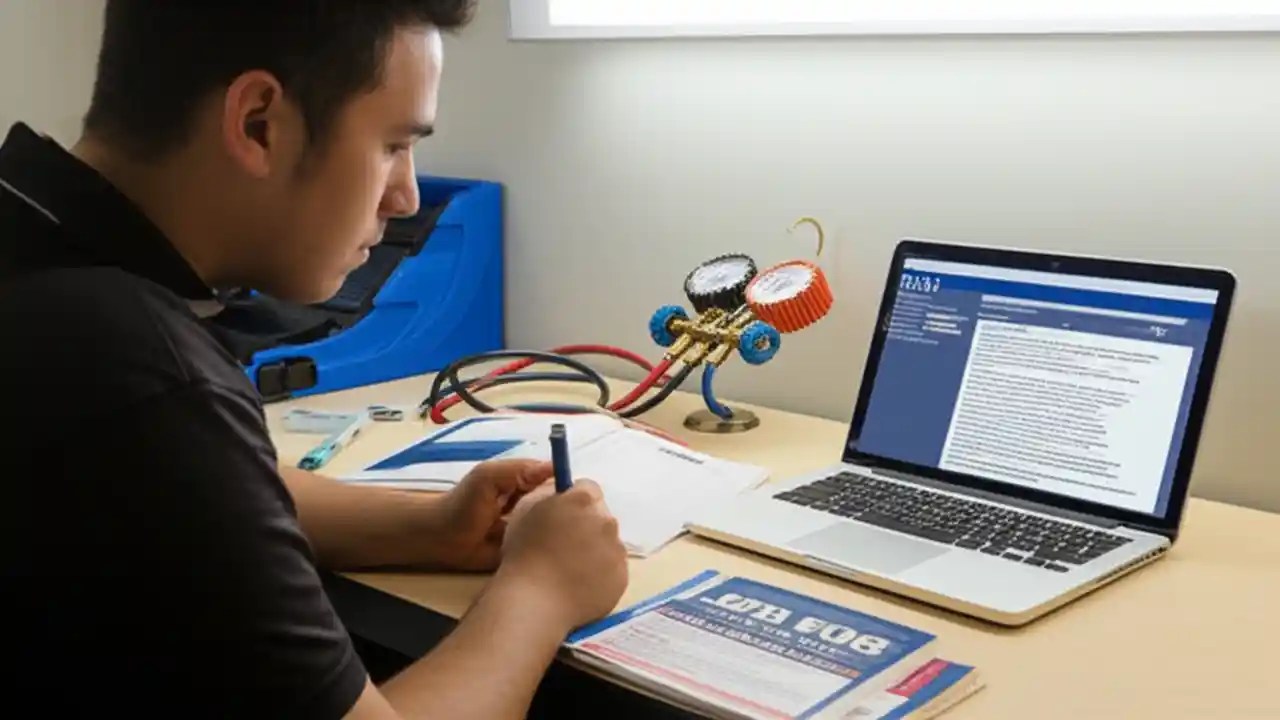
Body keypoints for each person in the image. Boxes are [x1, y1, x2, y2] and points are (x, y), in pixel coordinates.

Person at [0, 1, 629, 718]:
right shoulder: (143, 371)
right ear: (258, 123)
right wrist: (541, 588)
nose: (407, 195)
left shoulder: (33, 239)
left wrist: (431, 527)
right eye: (393, 145)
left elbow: (212, 489)